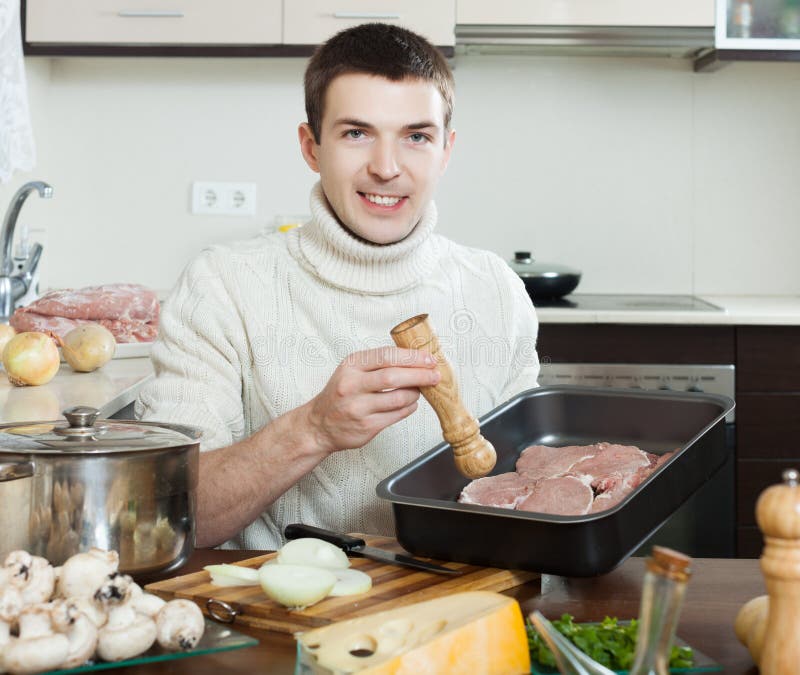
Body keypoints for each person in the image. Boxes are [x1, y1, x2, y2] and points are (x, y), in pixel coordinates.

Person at [136, 22, 540, 550]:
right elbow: (164, 525)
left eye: (416, 137)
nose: (386, 168)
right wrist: (313, 430)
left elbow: (526, 498)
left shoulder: (496, 290)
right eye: (356, 133)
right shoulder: (222, 287)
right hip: (277, 619)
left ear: (445, 150)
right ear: (311, 146)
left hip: (455, 612)